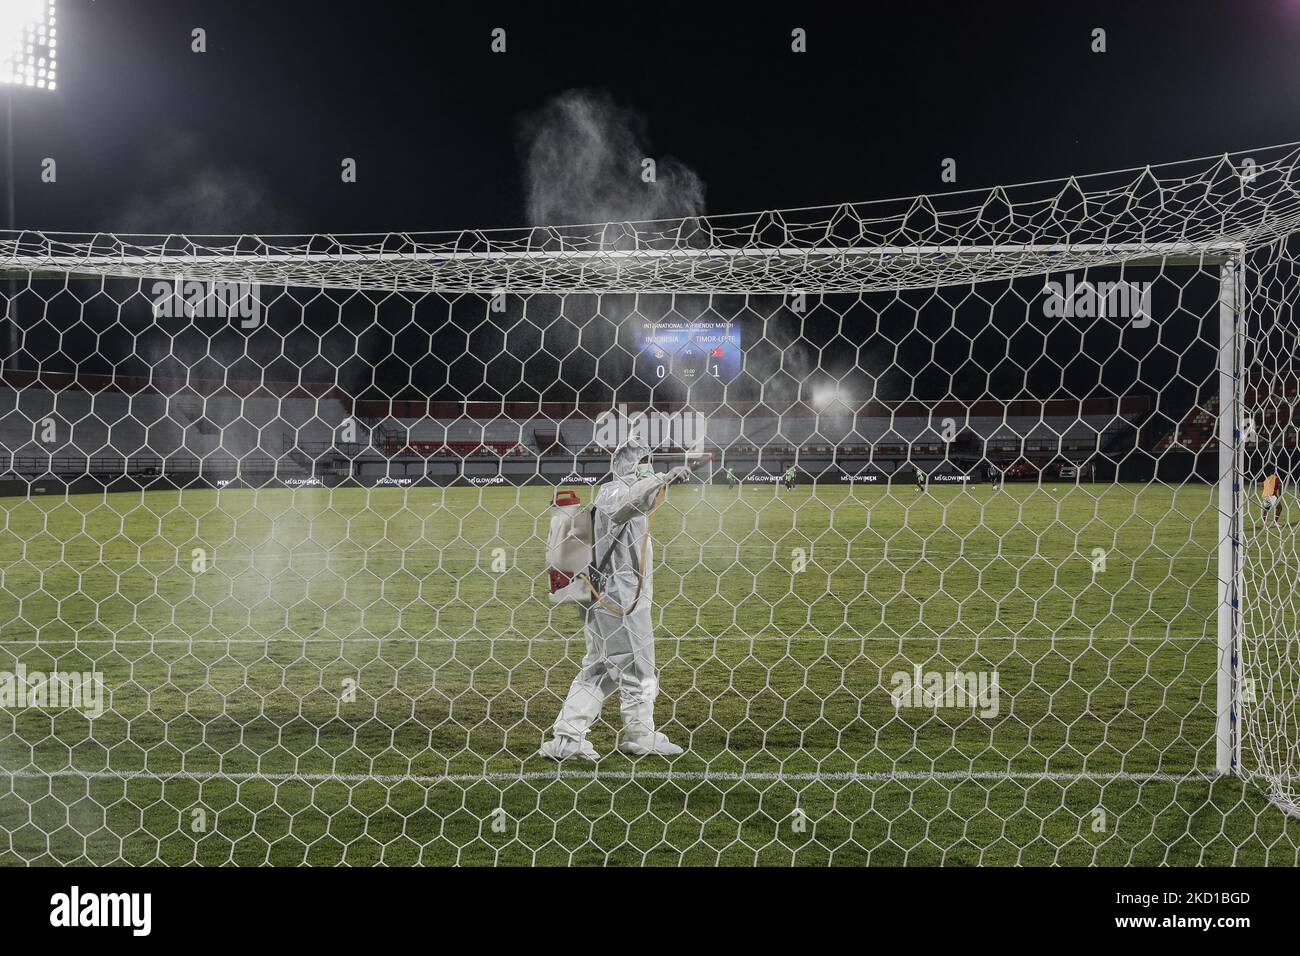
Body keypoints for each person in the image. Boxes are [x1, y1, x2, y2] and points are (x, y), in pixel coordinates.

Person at [539, 436, 693, 760]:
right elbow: (632, 500)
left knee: (599, 669)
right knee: (639, 668)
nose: (648, 466)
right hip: (619, 599)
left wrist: (658, 481)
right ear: (630, 463)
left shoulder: (617, 491)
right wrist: (661, 478)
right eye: (644, 460)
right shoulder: (615, 491)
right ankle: (640, 734)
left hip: (606, 597)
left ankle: (567, 737)